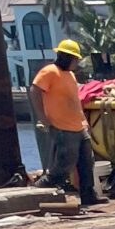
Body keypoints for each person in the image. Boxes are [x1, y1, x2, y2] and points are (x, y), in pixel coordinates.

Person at [30, 38, 98, 208]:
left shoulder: (70, 75)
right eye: (75, 59)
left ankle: (88, 196)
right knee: (62, 167)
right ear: (66, 57)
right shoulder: (49, 71)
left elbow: (74, 101)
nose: (77, 62)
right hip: (62, 128)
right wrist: (43, 119)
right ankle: (35, 194)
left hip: (79, 127)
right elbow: (35, 91)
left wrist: (84, 121)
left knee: (87, 163)